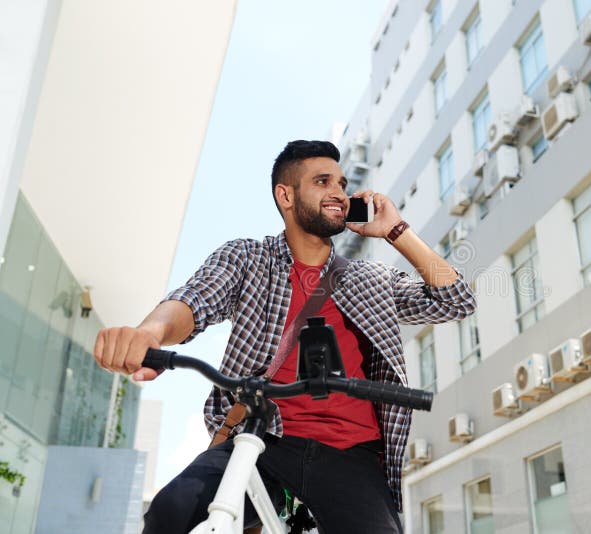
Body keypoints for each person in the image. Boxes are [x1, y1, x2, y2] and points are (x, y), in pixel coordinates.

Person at [93, 140, 476, 533]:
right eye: (323, 181)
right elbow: (193, 301)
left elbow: (456, 300)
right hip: (264, 437)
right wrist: (149, 333)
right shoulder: (247, 258)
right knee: (169, 513)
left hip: (351, 451)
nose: (339, 194)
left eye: (342, 185)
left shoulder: (370, 279)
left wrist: (395, 231)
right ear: (286, 195)